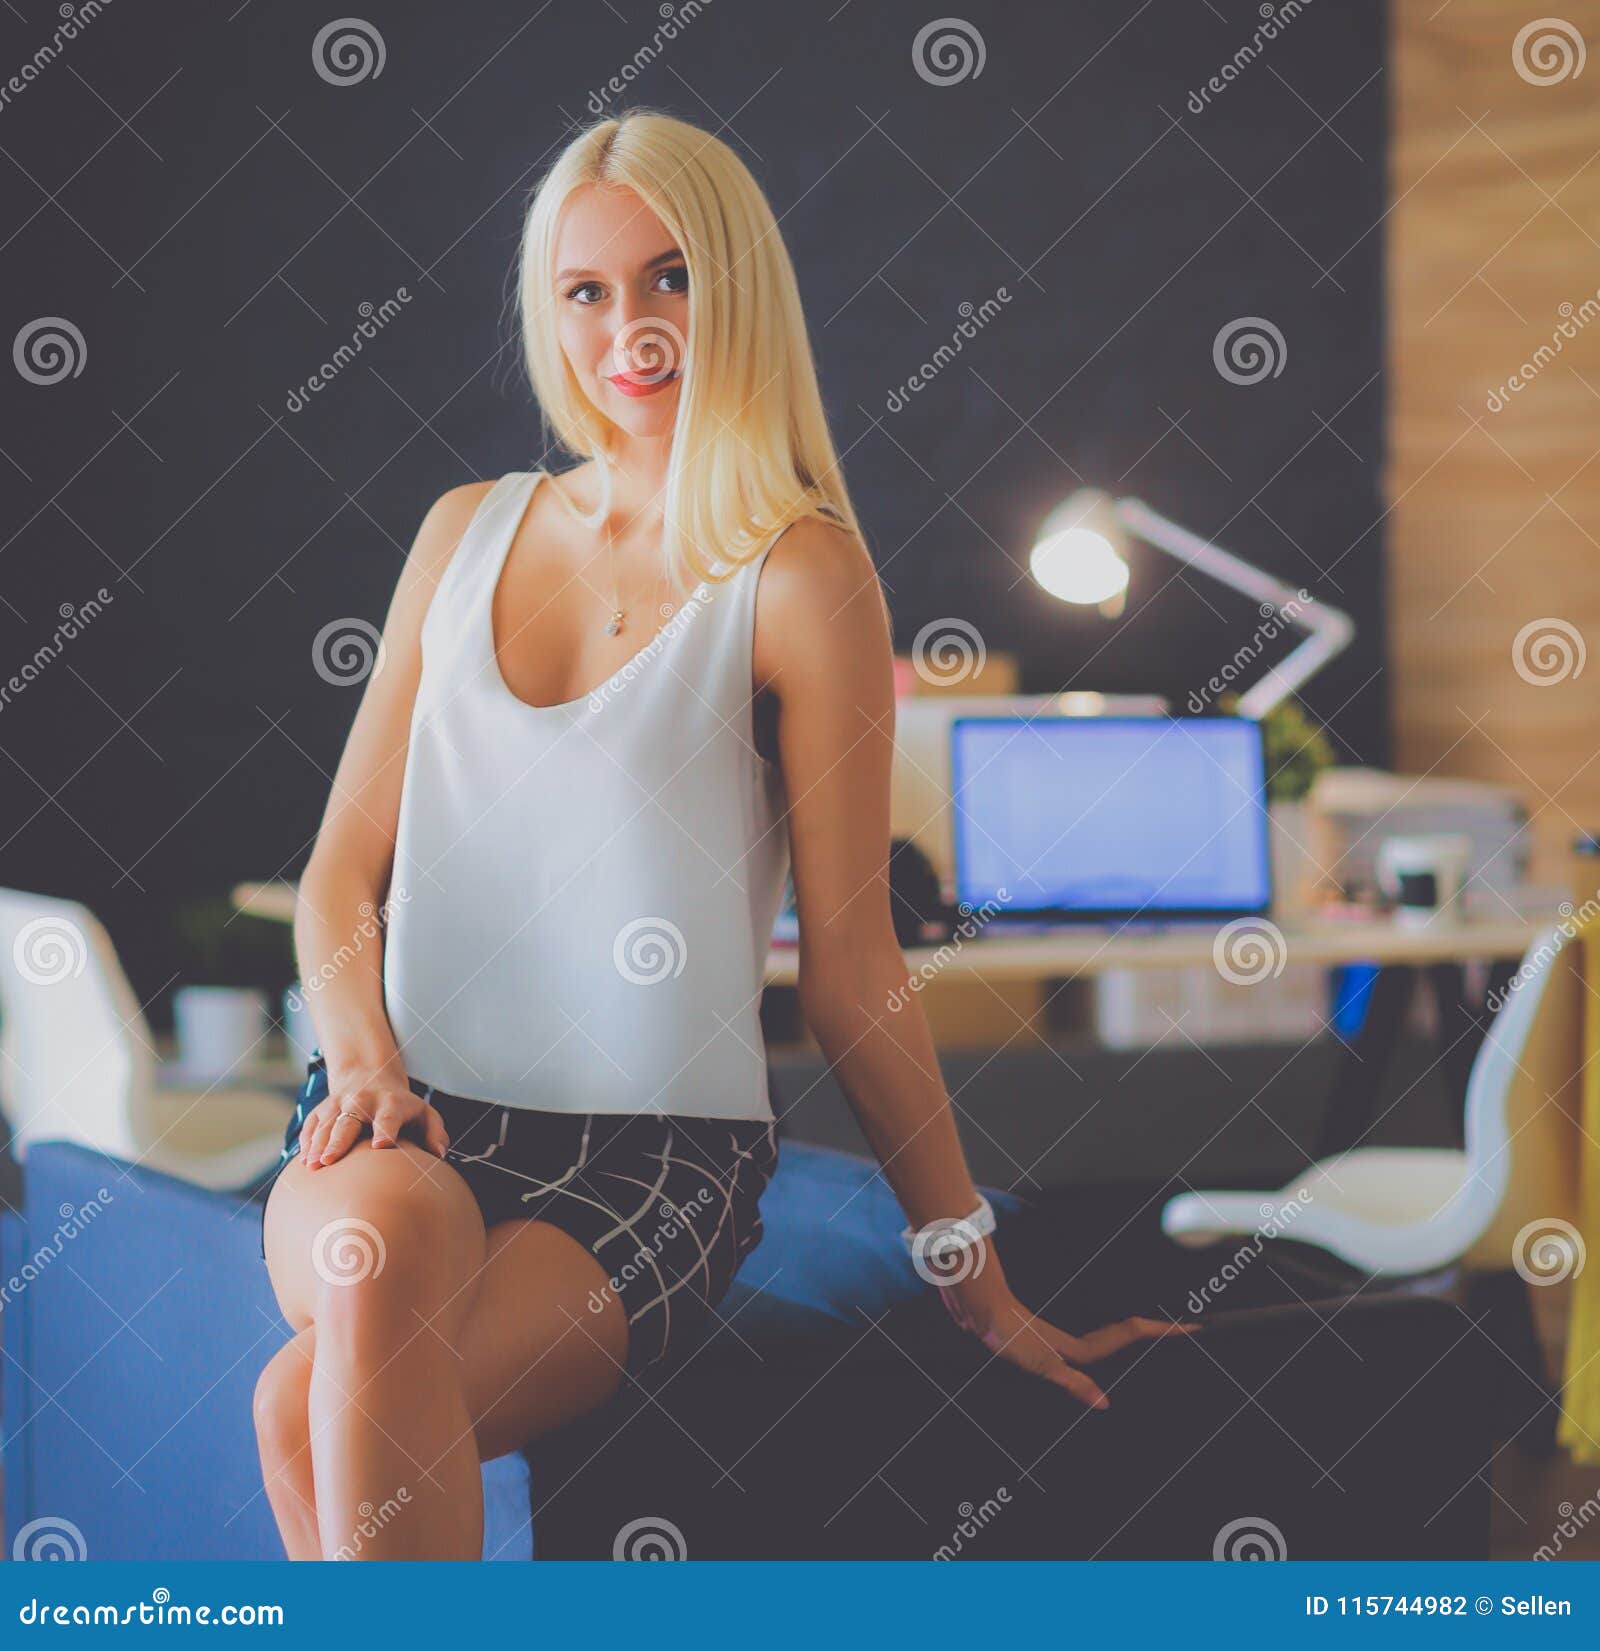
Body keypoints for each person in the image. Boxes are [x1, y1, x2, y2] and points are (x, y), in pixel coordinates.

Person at [255, 106, 1195, 1562]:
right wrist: (366, 1065)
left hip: (648, 1164)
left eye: (670, 276)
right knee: (372, 1281)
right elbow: (336, 878)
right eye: (587, 289)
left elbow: (851, 961)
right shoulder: (464, 530)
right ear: (547, 310)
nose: (629, 323)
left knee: (305, 1404)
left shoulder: (802, 573)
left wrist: (970, 1268)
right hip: (410, 1105)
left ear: (737, 288)